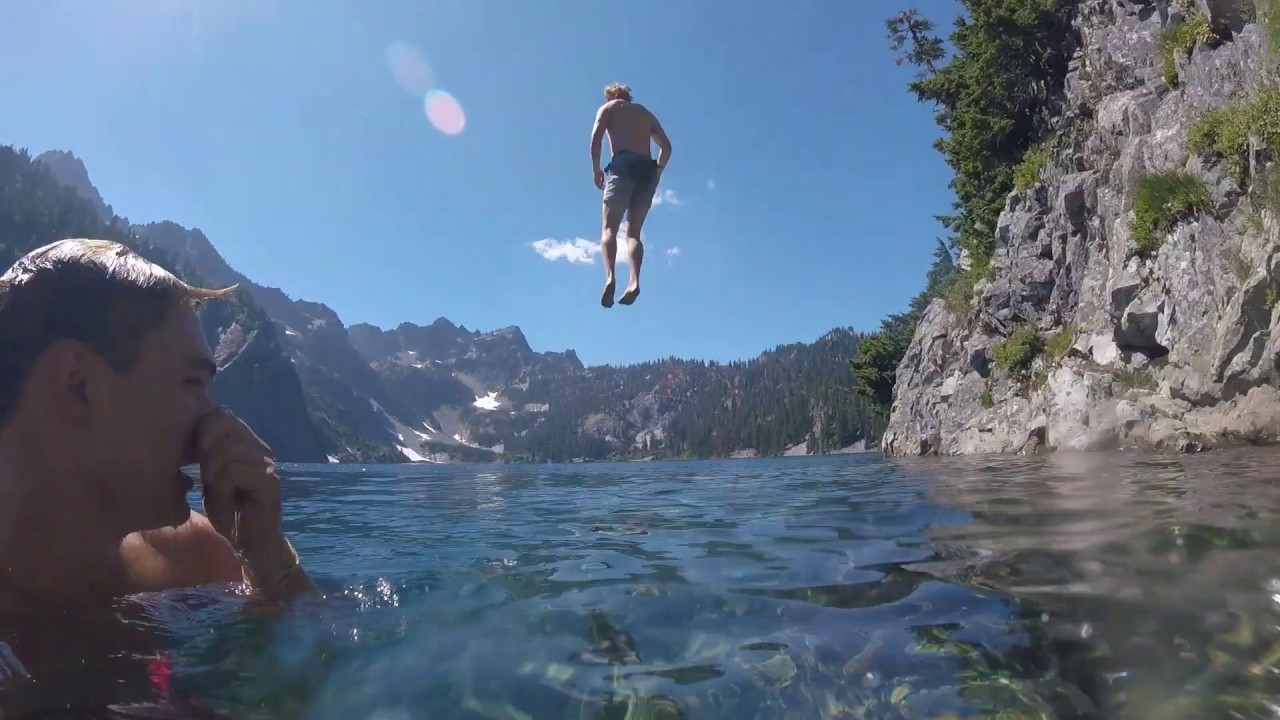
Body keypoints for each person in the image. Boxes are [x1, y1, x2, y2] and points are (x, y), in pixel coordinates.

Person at [0, 238, 316, 614]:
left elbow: (323, 645)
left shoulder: (198, 554)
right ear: (77, 383)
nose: (214, 422)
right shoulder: (191, 558)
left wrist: (266, 555)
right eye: (191, 383)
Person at [589, 82, 673, 308]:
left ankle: (610, 277)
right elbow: (666, 146)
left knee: (609, 229)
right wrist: (658, 170)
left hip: (623, 166)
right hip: (646, 171)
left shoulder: (608, 109)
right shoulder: (645, 113)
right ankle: (634, 281)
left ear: (610, 96)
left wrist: (596, 168)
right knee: (633, 233)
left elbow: (596, 138)